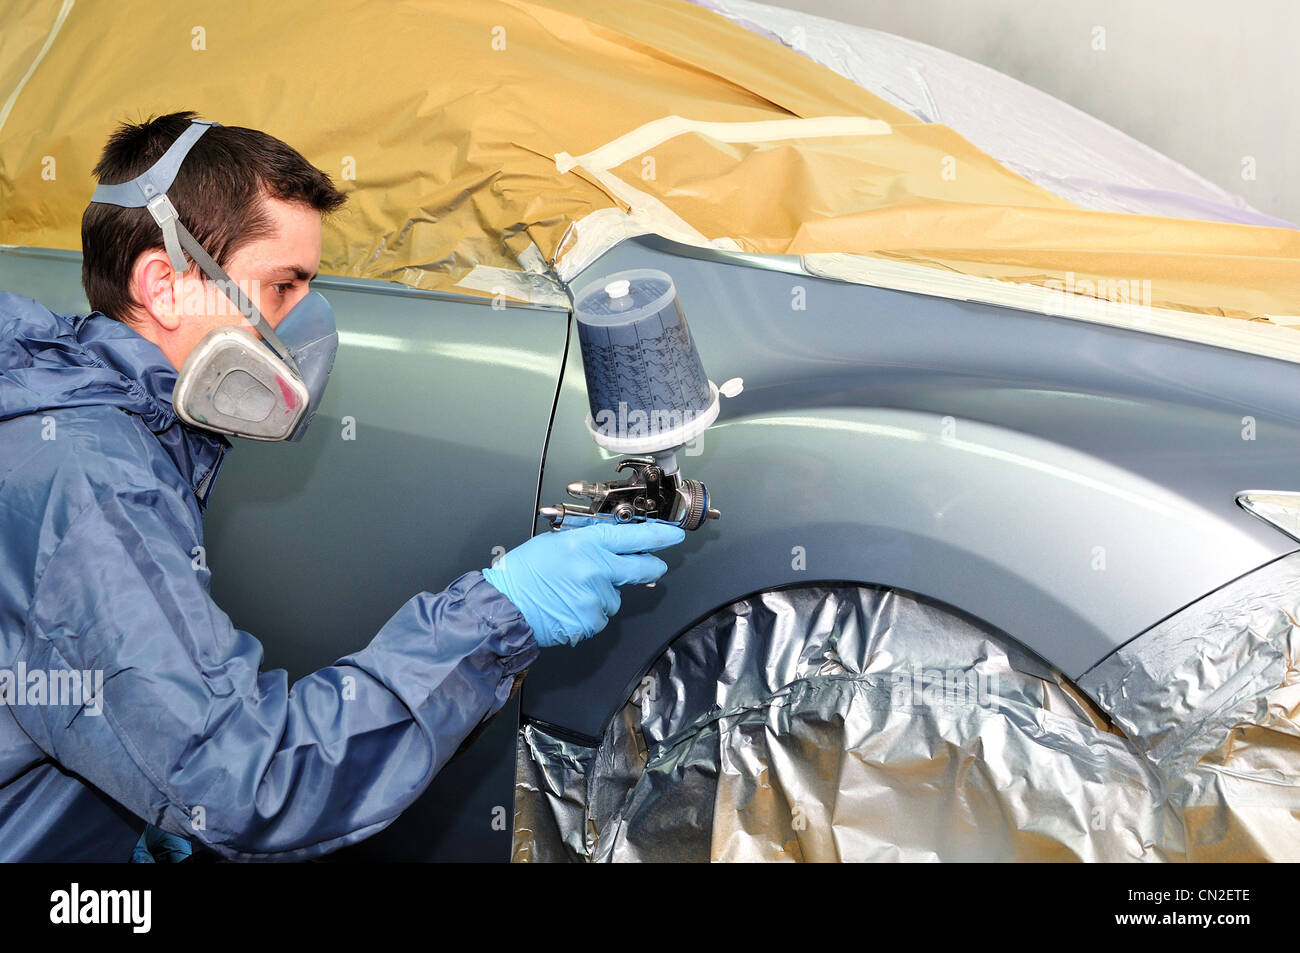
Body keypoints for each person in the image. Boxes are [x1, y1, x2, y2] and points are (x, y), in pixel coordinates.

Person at [0, 112, 685, 861]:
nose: (303, 332)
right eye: (283, 287)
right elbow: (253, 781)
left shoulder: (68, 405)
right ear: (166, 283)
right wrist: (500, 614)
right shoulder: (91, 482)